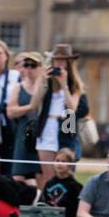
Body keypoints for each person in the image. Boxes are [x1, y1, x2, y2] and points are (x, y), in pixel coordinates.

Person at [31, 43, 86, 189]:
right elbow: (34, 103)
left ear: (69, 63)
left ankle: (68, 206)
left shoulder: (75, 84)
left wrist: (64, 85)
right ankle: (51, 207)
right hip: (47, 126)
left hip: (67, 124)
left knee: (67, 173)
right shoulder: (47, 81)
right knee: (49, 176)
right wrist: (41, 80)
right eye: (57, 60)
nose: (60, 64)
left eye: (64, 60)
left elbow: (72, 108)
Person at [5, 51, 43, 183]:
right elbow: (10, 112)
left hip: (42, 134)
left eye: (33, 65)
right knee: (18, 176)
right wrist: (29, 107)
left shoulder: (46, 86)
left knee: (40, 174)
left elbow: (71, 112)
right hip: (23, 133)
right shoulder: (18, 87)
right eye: (26, 65)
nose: (29, 69)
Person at [42, 148, 82, 217]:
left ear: (70, 164)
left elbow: (75, 209)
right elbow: (42, 203)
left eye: (64, 161)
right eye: (57, 161)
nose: (59, 164)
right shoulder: (49, 184)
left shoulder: (75, 186)